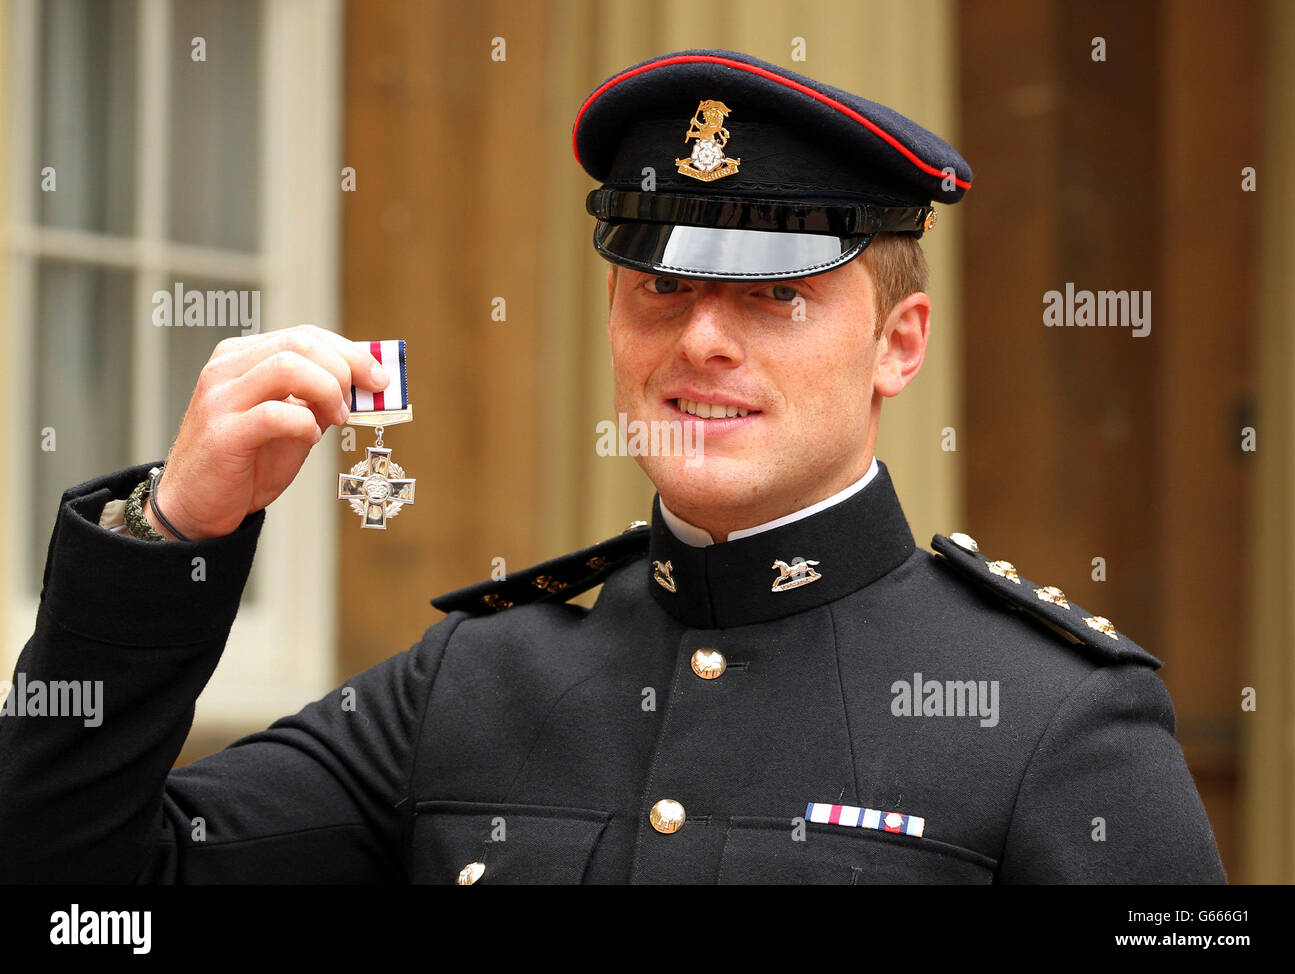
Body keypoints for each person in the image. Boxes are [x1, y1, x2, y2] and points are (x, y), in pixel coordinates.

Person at [0, 49, 1225, 884]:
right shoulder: (469, 684)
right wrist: (170, 536)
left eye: (778, 297)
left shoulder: (1059, 713)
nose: (700, 339)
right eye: (660, 286)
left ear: (897, 345)